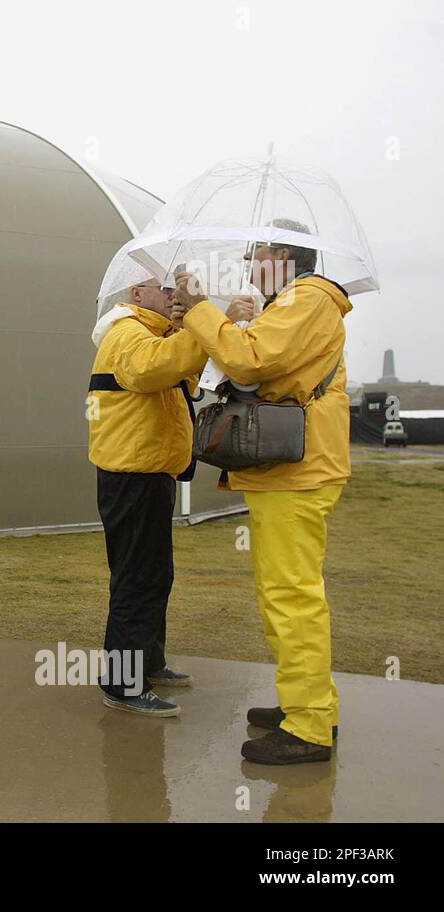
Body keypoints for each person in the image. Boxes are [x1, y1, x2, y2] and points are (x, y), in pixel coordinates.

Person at [174, 219, 350, 764]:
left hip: (296, 473)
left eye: (257, 253)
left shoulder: (308, 299)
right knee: (287, 593)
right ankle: (310, 704)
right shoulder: (294, 303)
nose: (249, 263)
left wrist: (201, 307)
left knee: (291, 596)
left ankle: (309, 727)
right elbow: (253, 368)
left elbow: (249, 360)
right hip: (289, 470)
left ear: (285, 255)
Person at [88, 279, 207, 717]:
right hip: (132, 475)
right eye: (162, 288)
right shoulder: (127, 333)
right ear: (135, 295)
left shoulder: (151, 335)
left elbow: (183, 378)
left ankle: (149, 662)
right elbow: (152, 369)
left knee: (155, 574)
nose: (171, 294)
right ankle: (122, 684)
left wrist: (181, 331)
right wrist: (202, 327)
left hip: (149, 472)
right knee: (137, 580)